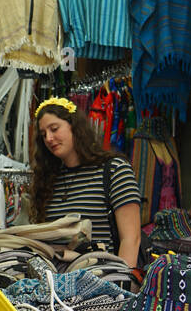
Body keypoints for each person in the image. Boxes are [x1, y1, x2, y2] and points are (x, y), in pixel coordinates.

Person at [31, 97, 142, 268]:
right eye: (43, 134)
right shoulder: (48, 180)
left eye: (54, 129)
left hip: (103, 279)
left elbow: (131, 238)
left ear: (75, 127)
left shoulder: (113, 170)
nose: (49, 138)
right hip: (57, 283)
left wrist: (122, 285)